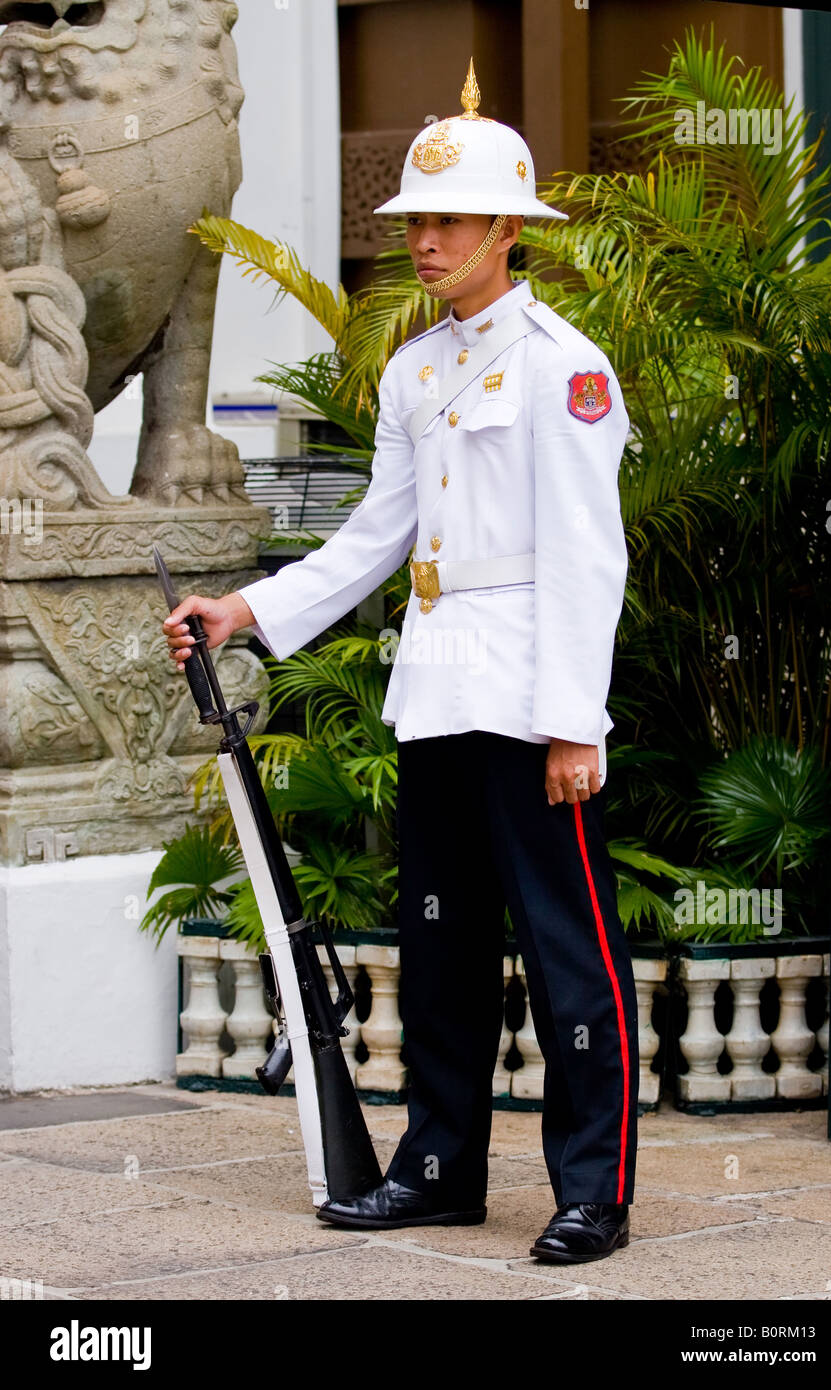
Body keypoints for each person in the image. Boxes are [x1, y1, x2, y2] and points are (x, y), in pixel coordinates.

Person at [164, 60, 639, 1265]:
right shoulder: (416, 369)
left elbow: (590, 559)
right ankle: (437, 1168)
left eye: (443, 220)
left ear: (503, 232)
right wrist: (248, 611)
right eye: (412, 221)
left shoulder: (561, 368)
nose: (420, 241)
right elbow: (374, 536)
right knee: (436, 947)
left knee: (565, 952)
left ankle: (592, 1190)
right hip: (436, 691)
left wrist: (574, 722)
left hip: (532, 701)